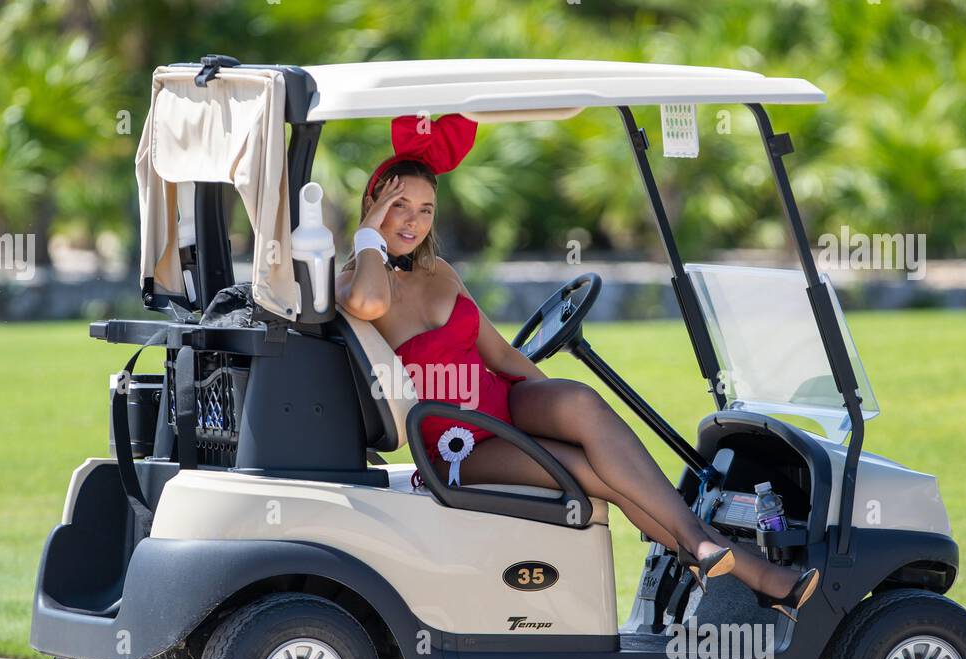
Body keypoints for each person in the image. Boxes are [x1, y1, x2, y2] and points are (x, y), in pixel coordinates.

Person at [335, 114, 818, 619]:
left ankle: (711, 553)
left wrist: (558, 415)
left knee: (581, 403)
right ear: (374, 206)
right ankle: (729, 560)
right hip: (459, 444)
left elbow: (500, 356)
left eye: (426, 209)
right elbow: (369, 304)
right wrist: (368, 236)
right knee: (601, 475)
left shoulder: (440, 272)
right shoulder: (355, 282)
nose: (413, 221)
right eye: (398, 207)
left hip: (503, 409)